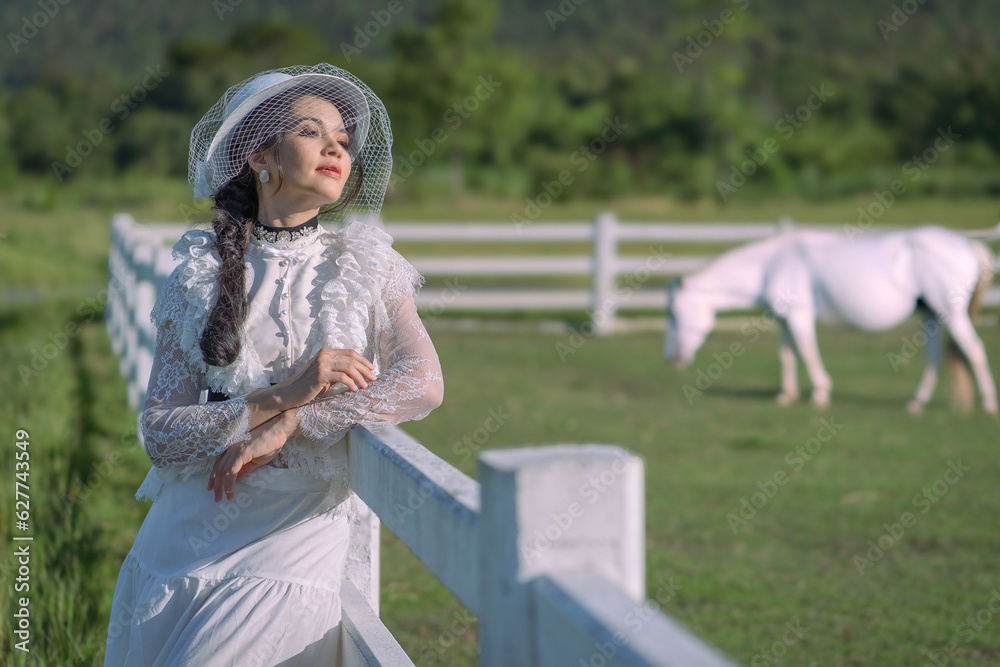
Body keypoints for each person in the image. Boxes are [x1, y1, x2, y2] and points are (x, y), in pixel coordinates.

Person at [104, 64, 444, 665]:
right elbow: (160, 431)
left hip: (295, 533)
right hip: (185, 539)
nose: (337, 146)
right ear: (260, 154)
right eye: (313, 132)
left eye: (342, 137)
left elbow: (423, 382)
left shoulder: (366, 262)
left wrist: (294, 422)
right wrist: (284, 395)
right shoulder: (198, 270)